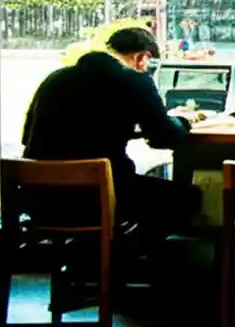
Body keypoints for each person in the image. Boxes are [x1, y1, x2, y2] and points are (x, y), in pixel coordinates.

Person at [22, 27, 203, 242]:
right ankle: (122, 256)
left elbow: (28, 136)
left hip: (41, 197)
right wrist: (184, 120)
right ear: (142, 58)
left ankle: (94, 255)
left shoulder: (55, 79)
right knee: (186, 198)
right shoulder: (135, 81)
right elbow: (165, 137)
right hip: (98, 196)